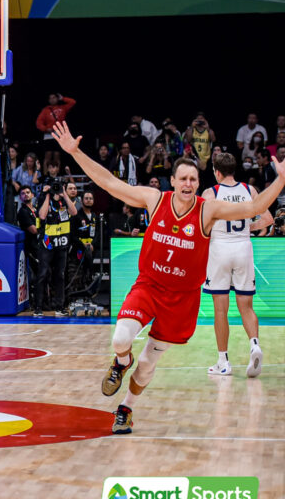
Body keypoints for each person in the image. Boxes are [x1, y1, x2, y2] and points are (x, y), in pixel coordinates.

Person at [52, 120, 285, 434]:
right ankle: (121, 362)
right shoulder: (154, 199)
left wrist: (281, 180)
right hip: (149, 287)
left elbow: (255, 206)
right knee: (120, 339)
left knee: (148, 364)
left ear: (198, 182)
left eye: (193, 179)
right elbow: (108, 182)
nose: (188, 184)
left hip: (182, 299)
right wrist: (75, 152)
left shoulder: (208, 210)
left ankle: (125, 409)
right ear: (172, 181)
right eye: (183, 179)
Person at [201, 153, 270, 377]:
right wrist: (248, 228)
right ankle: (254, 344)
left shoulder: (211, 193)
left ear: (217, 172)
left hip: (220, 249)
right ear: (234, 170)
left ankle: (223, 362)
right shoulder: (249, 191)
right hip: (243, 248)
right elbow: (268, 220)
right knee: (246, 307)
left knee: (221, 309)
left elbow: (203, 226)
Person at [36, 178, 77, 316]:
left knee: (60, 275)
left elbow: (74, 212)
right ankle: (38, 307)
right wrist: (47, 195)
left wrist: (64, 193)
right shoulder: (43, 198)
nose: (56, 188)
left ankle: (60, 306)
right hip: (47, 244)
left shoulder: (65, 200)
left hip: (62, 243)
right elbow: (42, 216)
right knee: (42, 274)